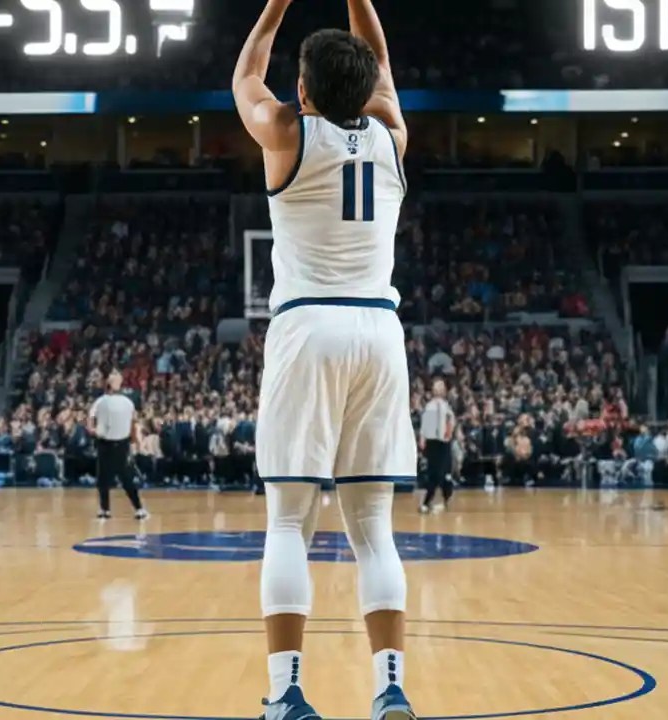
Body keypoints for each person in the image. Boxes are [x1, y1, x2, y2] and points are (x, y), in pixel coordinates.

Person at [233, 1, 415, 719]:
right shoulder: (394, 136)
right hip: (379, 331)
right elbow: (384, 66)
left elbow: (247, 73)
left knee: (288, 523)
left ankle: (286, 695)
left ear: (302, 91)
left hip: (308, 326)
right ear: (369, 88)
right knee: (374, 530)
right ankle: (390, 686)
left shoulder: (284, 132)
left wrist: (275, 4)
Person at [89, 371, 148, 520]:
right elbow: (91, 419)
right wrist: (94, 431)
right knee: (103, 477)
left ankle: (139, 508)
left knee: (126, 477)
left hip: (122, 443)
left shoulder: (127, 402)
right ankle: (105, 509)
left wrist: (134, 440)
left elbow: (133, 422)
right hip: (104, 443)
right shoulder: (100, 401)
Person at [419, 380, 455, 513]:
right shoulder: (429, 406)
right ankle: (427, 501)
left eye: (441, 386)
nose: (439, 388)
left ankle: (446, 497)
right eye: (436, 386)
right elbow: (425, 425)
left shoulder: (447, 406)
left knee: (445, 472)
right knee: (434, 473)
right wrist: (422, 439)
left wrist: (449, 434)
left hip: (444, 442)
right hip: (432, 442)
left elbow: (451, 422)